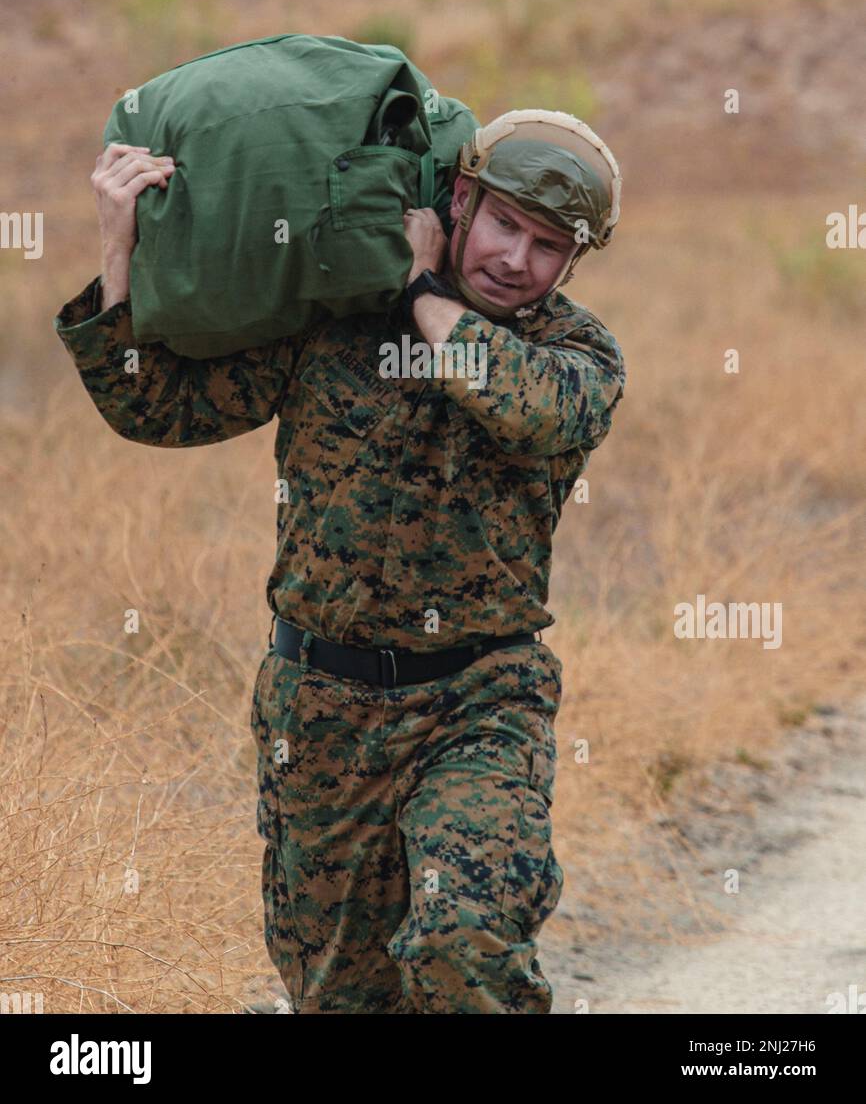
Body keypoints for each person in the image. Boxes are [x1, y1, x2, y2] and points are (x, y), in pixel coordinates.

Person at [53, 107, 626, 1014]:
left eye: (549, 245)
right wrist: (119, 250)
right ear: (460, 200)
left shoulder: (574, 355)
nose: (517, 259)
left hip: (479, 701)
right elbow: (157, 412)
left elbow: (531, 409)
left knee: (463, 941)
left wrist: (421, 289)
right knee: (341, 998)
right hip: (317, 713)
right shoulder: (335, 320)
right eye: (504, 224)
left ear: (574, 262)